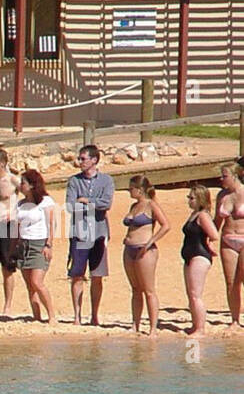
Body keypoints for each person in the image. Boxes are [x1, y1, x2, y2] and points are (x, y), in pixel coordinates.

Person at [65, 144, 114, 326]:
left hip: (99, 234)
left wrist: (86, 201)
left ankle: (94, 315)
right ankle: (77, 315)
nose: (80, 162)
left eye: (83, 158)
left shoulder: (106, 181)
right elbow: (70, 206)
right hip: (79, 233)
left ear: (94, 160)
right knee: (77, 275)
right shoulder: (73, 181)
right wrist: (93, 204)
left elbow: (106, 204)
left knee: (97, 276)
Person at [120, 175, 170, 336]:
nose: (129, 191)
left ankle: (153, 328)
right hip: (129, 248)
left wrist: (150, 242)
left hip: (144, 249)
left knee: (148, 289)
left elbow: (166, 225)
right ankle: (135, 324)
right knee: (135, 289)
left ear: (140, 190)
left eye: (131, 188)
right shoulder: (134, 205)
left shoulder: (151, 205)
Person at [14, 169, 57, 326]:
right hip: (24, 243)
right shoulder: (20, 204)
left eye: (23, 183)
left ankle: (52, 315)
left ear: (32, 185)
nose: (20, 186)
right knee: (29, 285)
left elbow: (51, 224)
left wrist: (48, 245)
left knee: (37, 282)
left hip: (39, 244)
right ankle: (36, 316)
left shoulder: (45, 201)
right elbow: (17, 225)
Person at [0, 148, 21, 316]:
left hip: (8, 225)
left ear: (2, 163)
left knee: (8, 267)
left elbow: (31, 196)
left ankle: (7, 305)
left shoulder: (13, 180)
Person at [181, 184, 218, 338]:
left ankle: (201, 329)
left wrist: (209, 243)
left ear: (200, 199)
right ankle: (195, 324)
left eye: (191, 198)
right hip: (190, 255)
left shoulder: (203, 215)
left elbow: (214, 234)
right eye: (188, 197)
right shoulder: (194, 214)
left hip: (199, 255)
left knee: (196, 294)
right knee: (191, 294)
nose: (189, 200)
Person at [215, 164, 244, 327]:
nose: (221, 179)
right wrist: (207, 239)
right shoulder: (222, 195)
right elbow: (217, 221)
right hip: (227, 239)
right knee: (231, 281)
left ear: (234, 176)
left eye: (224, 176)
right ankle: (235, 319)